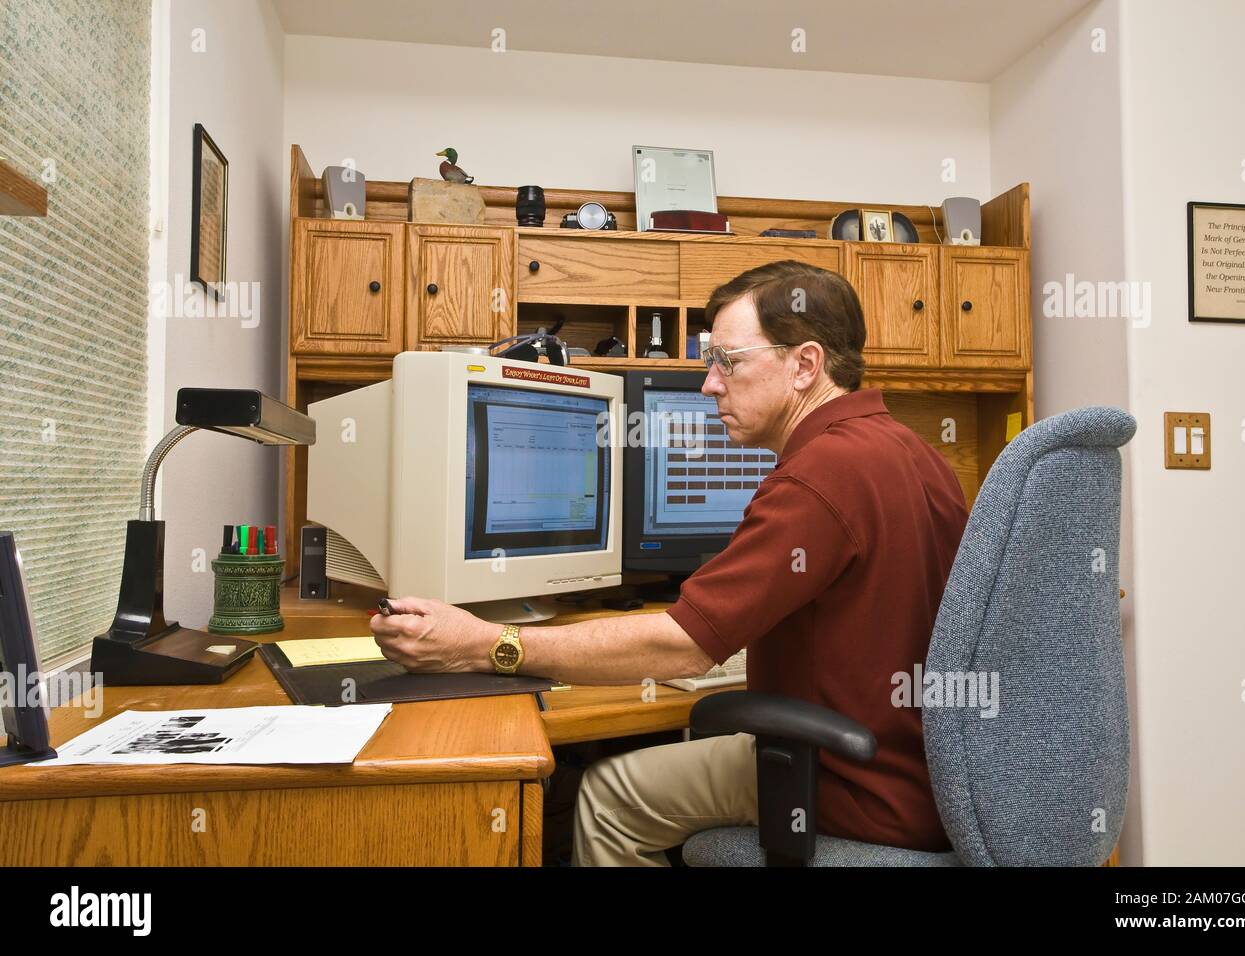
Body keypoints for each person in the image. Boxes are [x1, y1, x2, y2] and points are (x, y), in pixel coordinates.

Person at [370, 260, 970, 865]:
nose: (709, 384)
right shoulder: (915, 454)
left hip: (851, 785)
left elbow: (682, 646)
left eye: (728, 361)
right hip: (930, 780)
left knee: (606, 798)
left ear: (804, 365)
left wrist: (483, 644)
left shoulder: (820, 475)